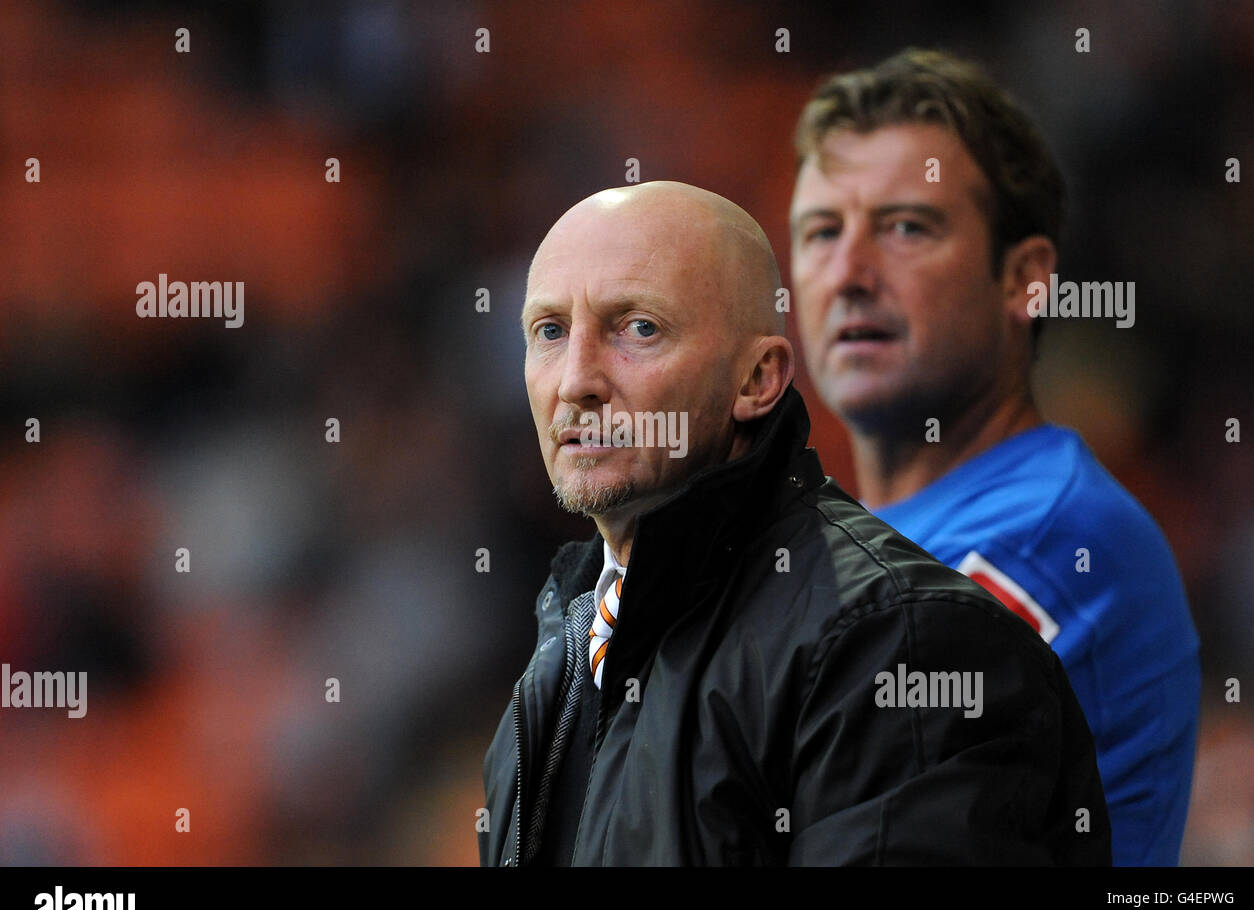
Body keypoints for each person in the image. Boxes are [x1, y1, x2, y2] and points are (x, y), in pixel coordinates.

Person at [479, 179, 1111, 866]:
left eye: (638, 328)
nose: (575, 381)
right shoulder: (561, 658)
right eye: (549, 331)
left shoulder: (898, 640)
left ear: (757, 380)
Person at [788, 49, 1200, 866]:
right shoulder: (848, 544)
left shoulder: (1050, 537)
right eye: (821, 231)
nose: (849, 273)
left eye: (907, 226)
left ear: (1024, 280)